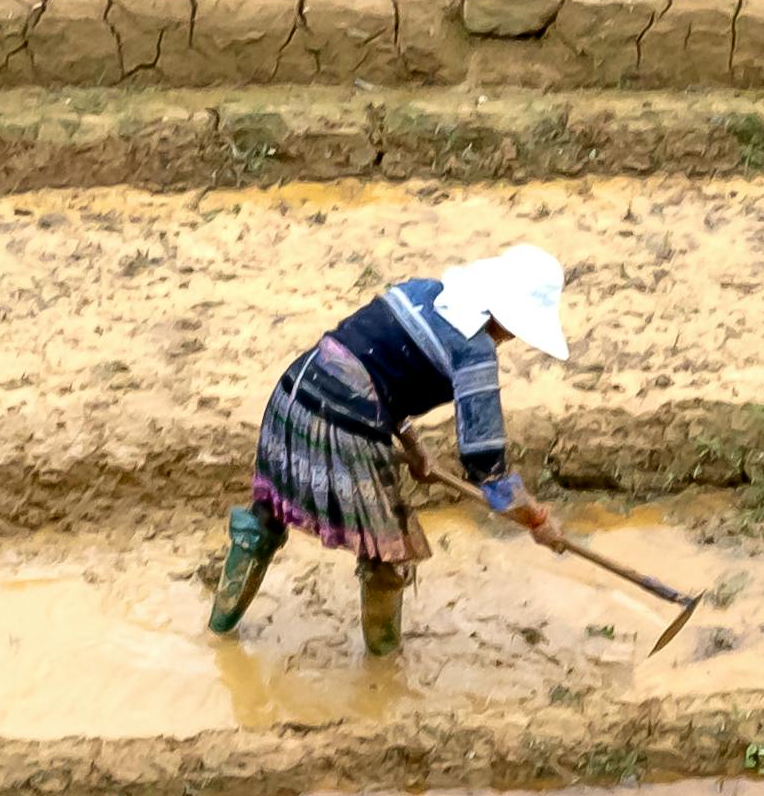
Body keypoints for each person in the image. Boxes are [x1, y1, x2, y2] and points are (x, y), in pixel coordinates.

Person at [206, 246, 568, 654]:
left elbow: (367, 362)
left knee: (267, 516)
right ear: (502, 316)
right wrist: (538, 520)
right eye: (516, 327)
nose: (511, 337)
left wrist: (413, 445)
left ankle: (219, 629)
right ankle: (383, 673)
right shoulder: (475, 351)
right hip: (344, 423)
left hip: (292, 393)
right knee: (389, 555)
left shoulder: (422, 292)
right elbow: (488, 473)